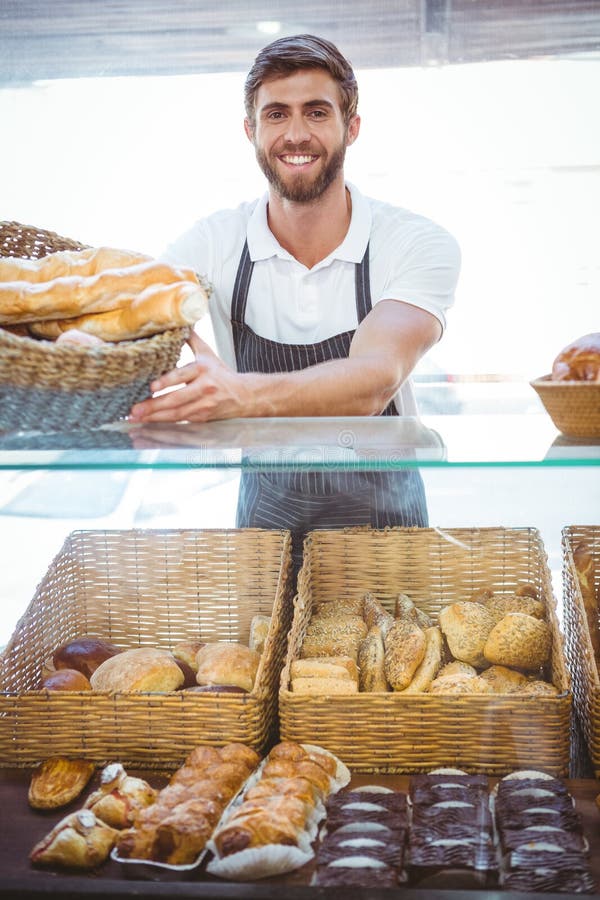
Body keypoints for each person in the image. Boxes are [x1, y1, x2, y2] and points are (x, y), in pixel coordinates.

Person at [129, 34, 460, 565]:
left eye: (317, 112)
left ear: (351, 127)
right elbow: (136, 310)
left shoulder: (415, 243)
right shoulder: (213, 242)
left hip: (389, 528)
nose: (297, 134)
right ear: (251, 131)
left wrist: (237, 394)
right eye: (277, 114)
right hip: (266, 526)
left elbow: (374, 382)